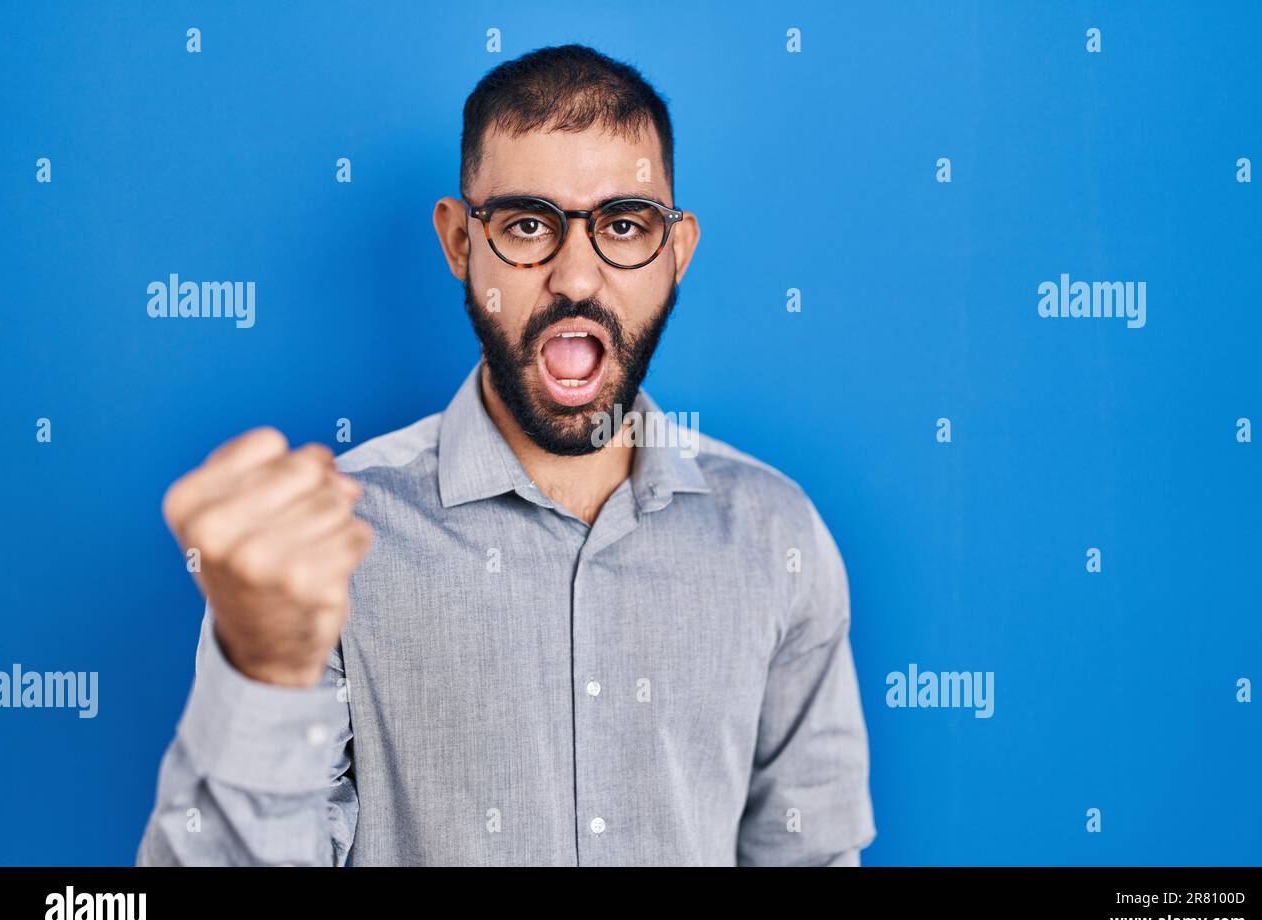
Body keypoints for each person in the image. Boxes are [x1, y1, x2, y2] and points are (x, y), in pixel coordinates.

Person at [136, 43, 876, 866]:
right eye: (528, 225)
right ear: (459, 242)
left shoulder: (775, 536)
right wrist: (263, 670)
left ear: (677, 250)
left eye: (624, 226)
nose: (576, 279)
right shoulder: (327, 546)